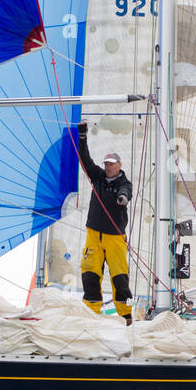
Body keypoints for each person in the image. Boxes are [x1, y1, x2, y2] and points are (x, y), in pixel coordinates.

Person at [76, 121, 134, 323]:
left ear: (119, 166)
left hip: (114, 238)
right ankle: (91, 313)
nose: (108, 167)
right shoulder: (98, 177)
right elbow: (85, 160)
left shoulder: (124, 183)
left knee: (120, 278)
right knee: (90, 274)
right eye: (106, 164)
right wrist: (82, 137)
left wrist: (122, 199)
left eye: (112, 164)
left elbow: (126, 192)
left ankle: (126, 315)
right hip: (94, 234)